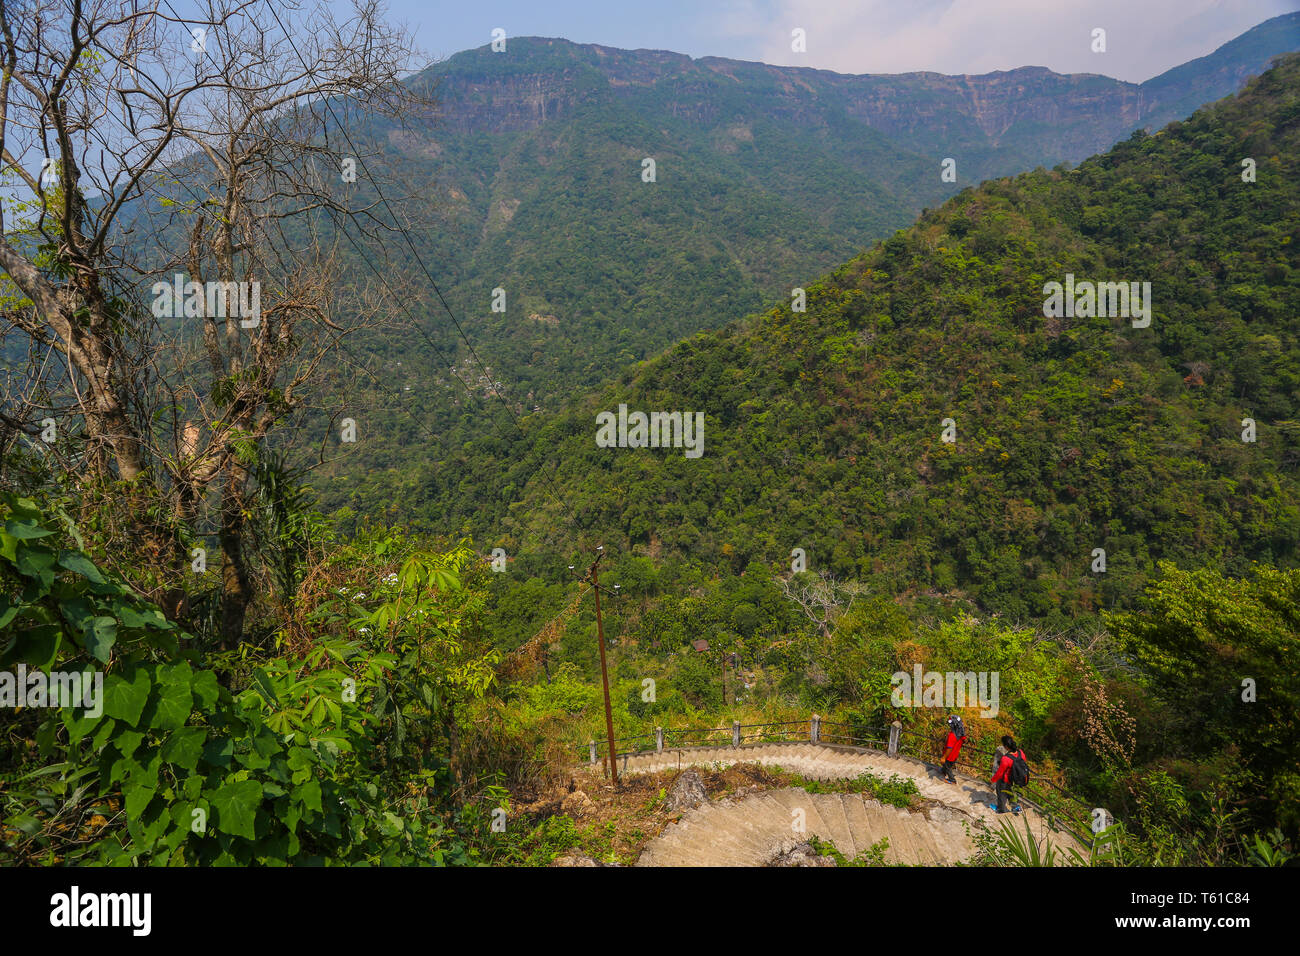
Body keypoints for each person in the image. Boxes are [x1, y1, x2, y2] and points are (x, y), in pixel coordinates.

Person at [990, 735, 1025, 814]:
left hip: (1005, 779)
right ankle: (1015, 806)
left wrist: (993, 780)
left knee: (1001, 793)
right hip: (1015, 778)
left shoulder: (1006, 759)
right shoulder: (1021, 752)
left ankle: (1000, 809)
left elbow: (1000, 773)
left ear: (1006, 746)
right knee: (1010, 791)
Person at [939, 715, 966, 783]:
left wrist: (944, 757)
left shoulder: (952, 735)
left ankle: (952, 780)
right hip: (955, 755)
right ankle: (943, 772)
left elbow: (949, 748)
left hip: (949, 756)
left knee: (947, 766)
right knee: (947, 766)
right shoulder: (961, 733)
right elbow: (963, 741)